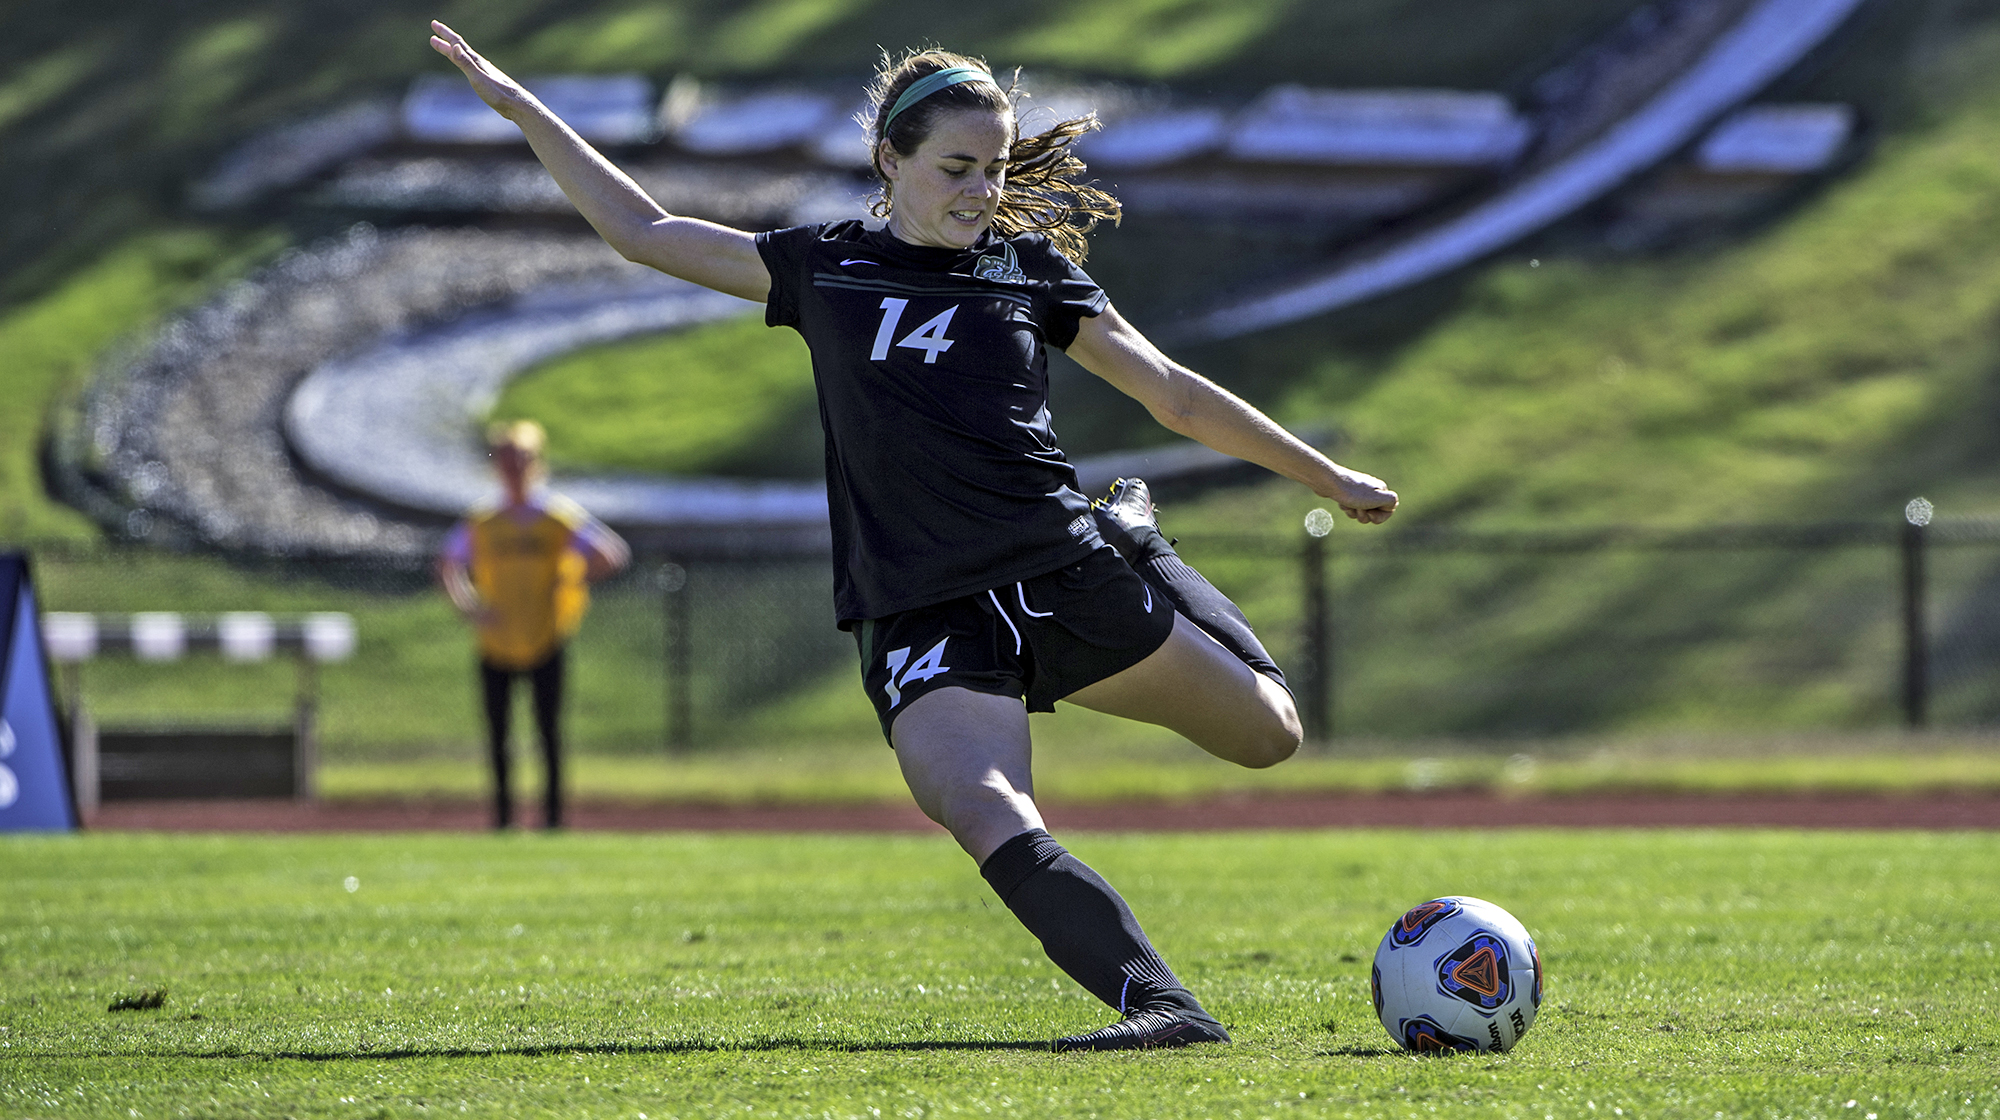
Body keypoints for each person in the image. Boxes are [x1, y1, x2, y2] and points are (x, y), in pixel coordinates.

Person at [429, 23, 1397, 1048]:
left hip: (1061, 570)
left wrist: (1324, 477)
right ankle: (1159, 1004)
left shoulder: (1031, 271)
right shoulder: (824, 269)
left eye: (993, 167)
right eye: (954, 167)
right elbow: (644, 228)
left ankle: (1141, 545)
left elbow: (1172, 394)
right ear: (889, 159)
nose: (980, 188)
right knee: (978, 804)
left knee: (1268, 735)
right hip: (918, 604)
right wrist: (524, 109)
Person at [439, 419, 631, 830]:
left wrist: (570, 580)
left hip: (547, 633)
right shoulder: (484, 520)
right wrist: (470, 608)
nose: (514, 468)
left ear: (536, 462)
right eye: (506, 460)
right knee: (499, 736)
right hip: (497, 638)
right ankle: (504, 820)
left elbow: (611, 554)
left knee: (548, 733)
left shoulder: (556, 517)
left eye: (521, 459)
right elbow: (447, 564)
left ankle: (553, 820)